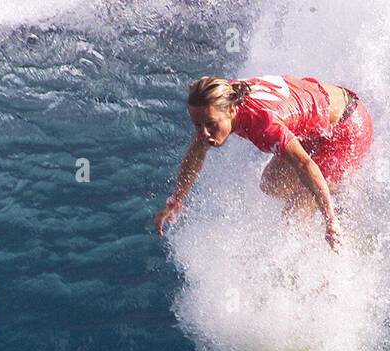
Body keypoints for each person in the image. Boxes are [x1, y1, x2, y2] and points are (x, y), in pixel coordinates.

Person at [154, 75, 373, 249]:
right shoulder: (219, 99)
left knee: (292, 220)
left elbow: (305, 164)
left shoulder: (264, 126)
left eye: (210, 125)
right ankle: (323, 193)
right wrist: (178, 198)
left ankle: (333, 220)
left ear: (231, 111)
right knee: (271, 183)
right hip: (316, 122)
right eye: (197, 125)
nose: (204, 133)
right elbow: (197, 150)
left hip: (347, 129)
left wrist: (330, 220)